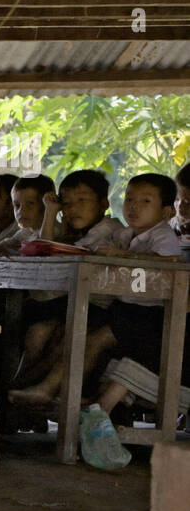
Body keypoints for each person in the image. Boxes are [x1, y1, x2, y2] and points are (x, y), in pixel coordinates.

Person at [11, 173, 182, 407]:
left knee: (89, 340)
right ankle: (34, 389)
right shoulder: (125, 233)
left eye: (145, 201)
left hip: (149, 317)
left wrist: (125, 256)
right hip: (124, 310)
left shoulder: (162, 234)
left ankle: (47, 390)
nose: (134, 207)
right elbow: (100, 251)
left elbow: (172, 262)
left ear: (166, 212)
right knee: (72, 335)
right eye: (130, 199)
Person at [14, 170, 126, 384]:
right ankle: (20, 387)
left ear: (103, 204)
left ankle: (19, 386)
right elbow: (46, 249)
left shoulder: (108, 229)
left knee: (41, 329)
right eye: (66, 203)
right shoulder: (77, 233)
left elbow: (46, 251)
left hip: (100, 309)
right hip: (77, 303)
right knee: (36, 331)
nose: (73, 208)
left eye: (82, 201)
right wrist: (51, 211)